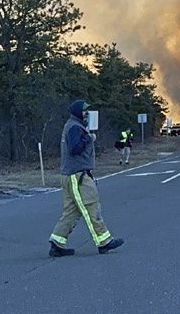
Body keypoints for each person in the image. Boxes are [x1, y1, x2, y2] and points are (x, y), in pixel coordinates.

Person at [49, 99, 123, 257]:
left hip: (71, 175)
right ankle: (104, 242)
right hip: (78, 175)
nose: (86, 114)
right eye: (84, 111)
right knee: (91, 205)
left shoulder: (73, 126)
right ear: (77, 112)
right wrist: (89, 138)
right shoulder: (75, 128)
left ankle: (57, 242)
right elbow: (75, 148)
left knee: (72, 211)